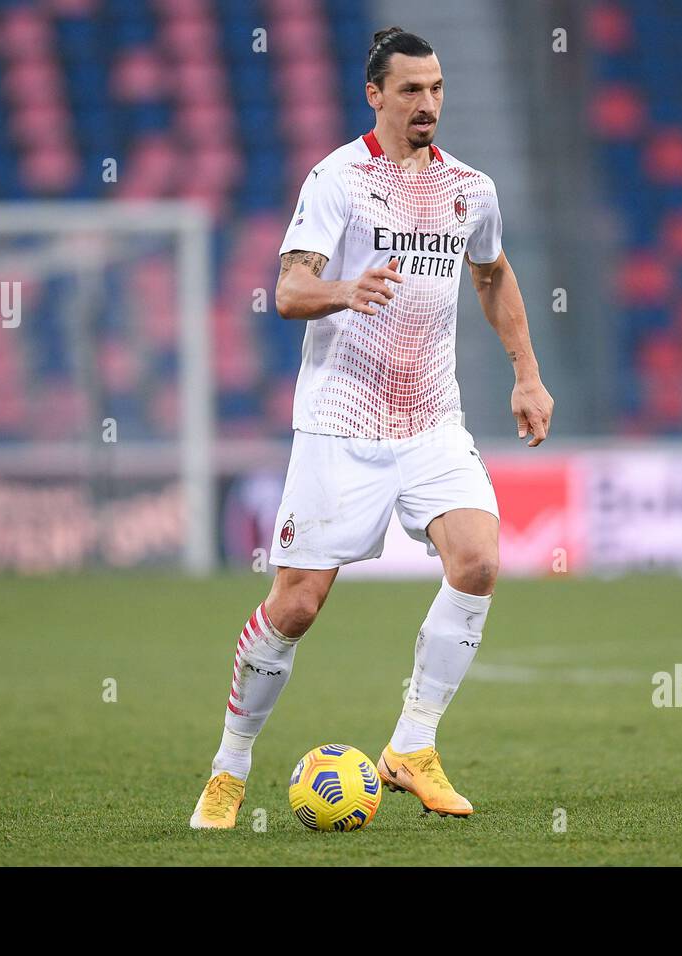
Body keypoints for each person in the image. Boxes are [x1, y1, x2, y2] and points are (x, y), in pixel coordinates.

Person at [190, 26, 555, 828]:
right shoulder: (338, 180)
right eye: (412, 90)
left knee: (480, 560)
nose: (428, 104)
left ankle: (411, 747)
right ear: (375, 95)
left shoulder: (470, 189)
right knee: (296, 607)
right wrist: (345, 290)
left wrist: (526, 374)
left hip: (431, 419)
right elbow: (289, 292)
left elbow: (491, 274)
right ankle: (230, 765)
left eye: (437, 89)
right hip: (340, 421)